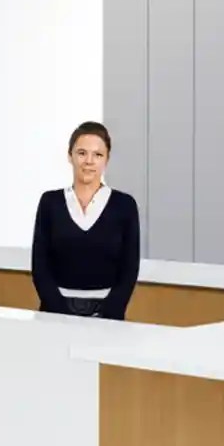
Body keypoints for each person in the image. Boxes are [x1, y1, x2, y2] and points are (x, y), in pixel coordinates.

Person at [31, 121, 141, 320]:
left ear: (107, 159)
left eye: (97, 155)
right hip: (55, 314)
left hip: (108, 316)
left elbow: (129, 267)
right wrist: (59, 313)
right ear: (70, 156)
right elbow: (40, 264)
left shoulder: (124, 205)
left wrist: (109, 313)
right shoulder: (50, 203)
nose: (89, 161)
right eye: (82, 153)